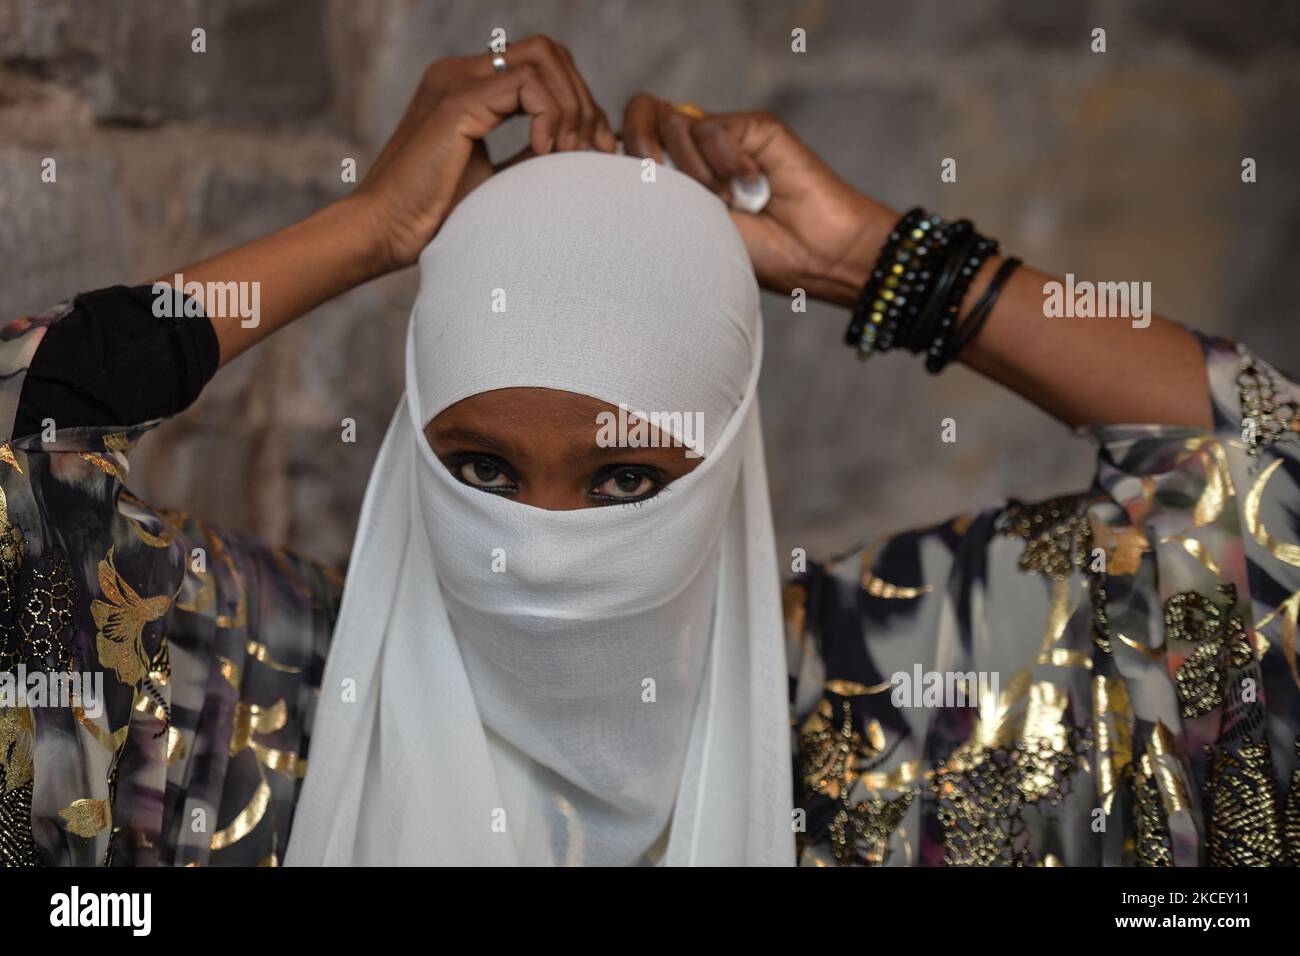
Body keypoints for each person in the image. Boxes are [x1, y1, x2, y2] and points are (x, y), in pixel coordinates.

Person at [1, 35, 1296, 867]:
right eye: (486, 471)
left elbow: (1261, 480)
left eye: (626, 481)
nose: (549, 551)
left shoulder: (899, 713)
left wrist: (883, 266)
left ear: (725, 458)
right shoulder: (242, 704)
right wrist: (363, 229)